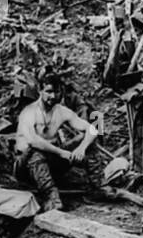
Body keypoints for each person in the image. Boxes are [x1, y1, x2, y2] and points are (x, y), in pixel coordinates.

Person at [14, 73, 100, 212]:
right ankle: (51, 197)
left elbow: (92, 129)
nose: (52, 96)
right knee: (35, 152)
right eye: (48, 92)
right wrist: (62, 152)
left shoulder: (61, 111)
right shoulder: (29, 112)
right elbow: (33, 141)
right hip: (26, 167)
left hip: (52, 161)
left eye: (56, 91)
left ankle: (98, 187)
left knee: (86, 141)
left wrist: (81, 148)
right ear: (40, 91)